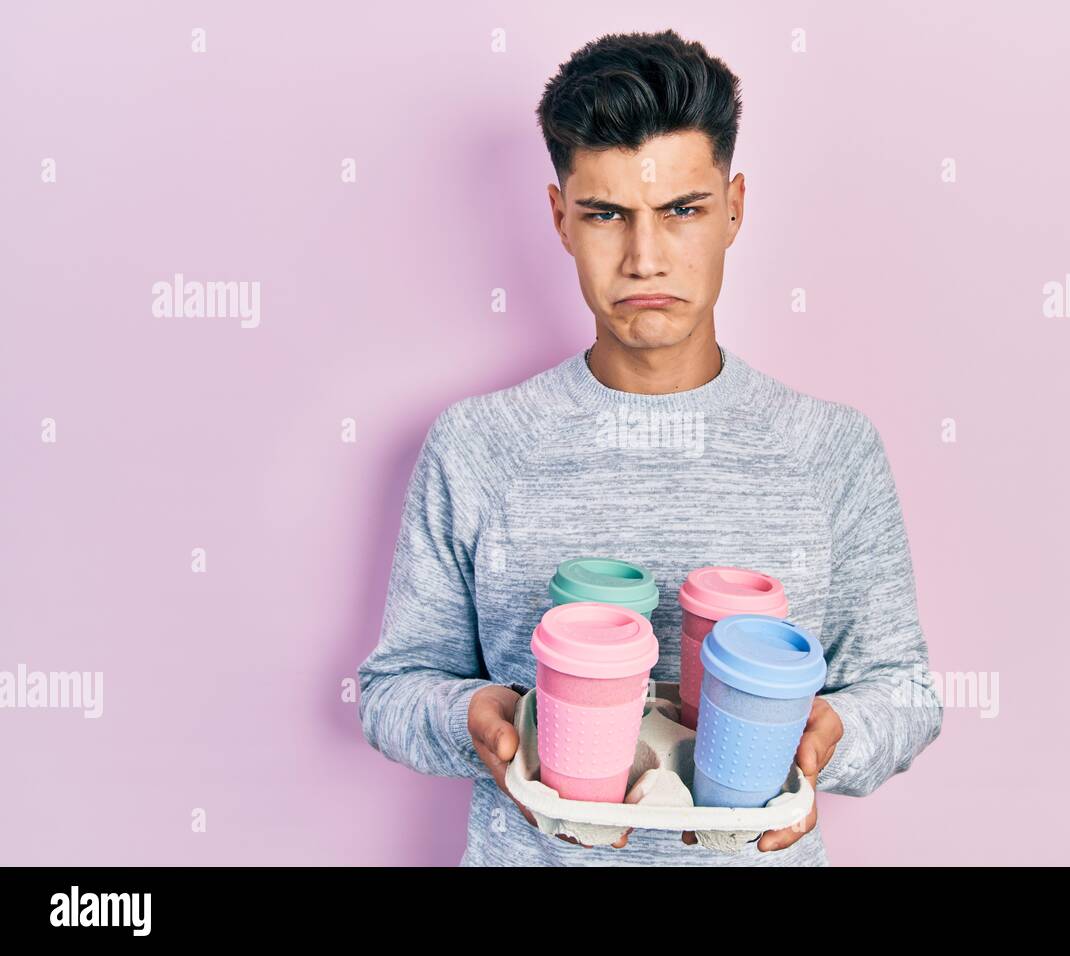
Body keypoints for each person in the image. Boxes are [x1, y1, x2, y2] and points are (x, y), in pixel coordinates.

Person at [357, 28, 942, 866]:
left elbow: (906, 691)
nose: (644, 256)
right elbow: (392, 689)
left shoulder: (830, 451)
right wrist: (471, 718)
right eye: (605, 215)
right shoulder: (478, 446)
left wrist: (835, 736)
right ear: (560, 219)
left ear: (734, 208)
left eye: (682, 211)